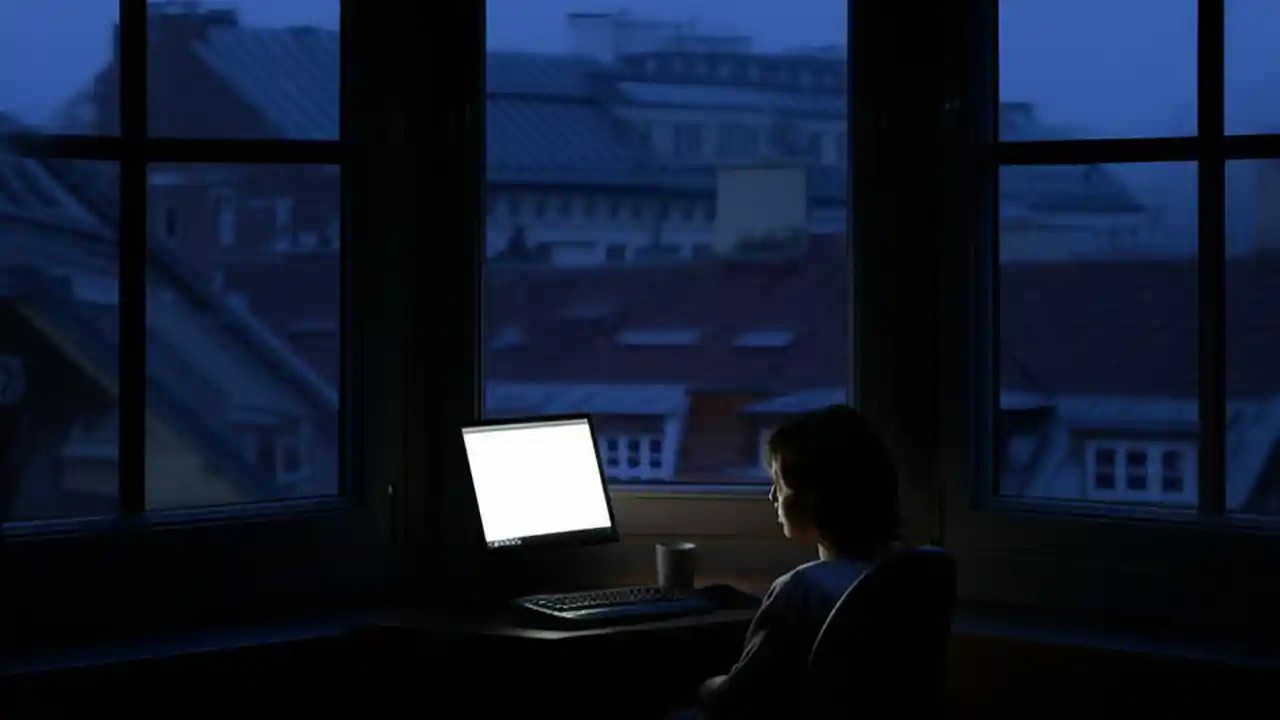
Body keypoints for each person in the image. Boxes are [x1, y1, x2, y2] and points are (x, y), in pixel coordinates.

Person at [681, 404, 903, 720]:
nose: (773, 496)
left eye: (781, 484)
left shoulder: (802, 590)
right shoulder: (905, 570)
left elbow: (738, 699)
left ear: (815, 497)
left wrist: (705, 686)